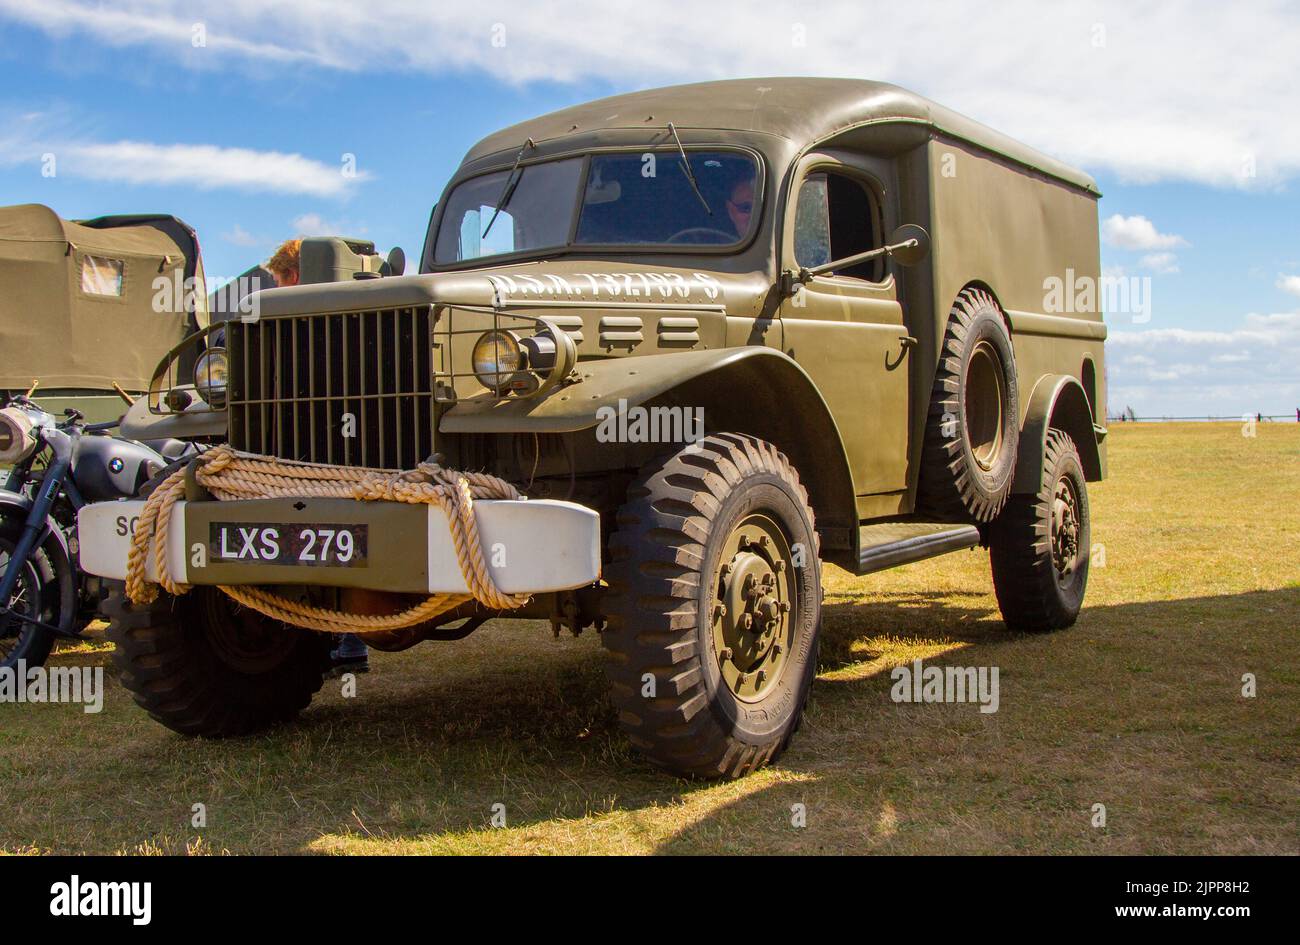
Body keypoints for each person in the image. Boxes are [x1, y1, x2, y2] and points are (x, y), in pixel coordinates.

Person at [266, 237, 369, 675]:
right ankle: (342, 640)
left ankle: (349, 639)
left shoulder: (311, 319)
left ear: (295, 274)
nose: (280, 288)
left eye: (282, 278)